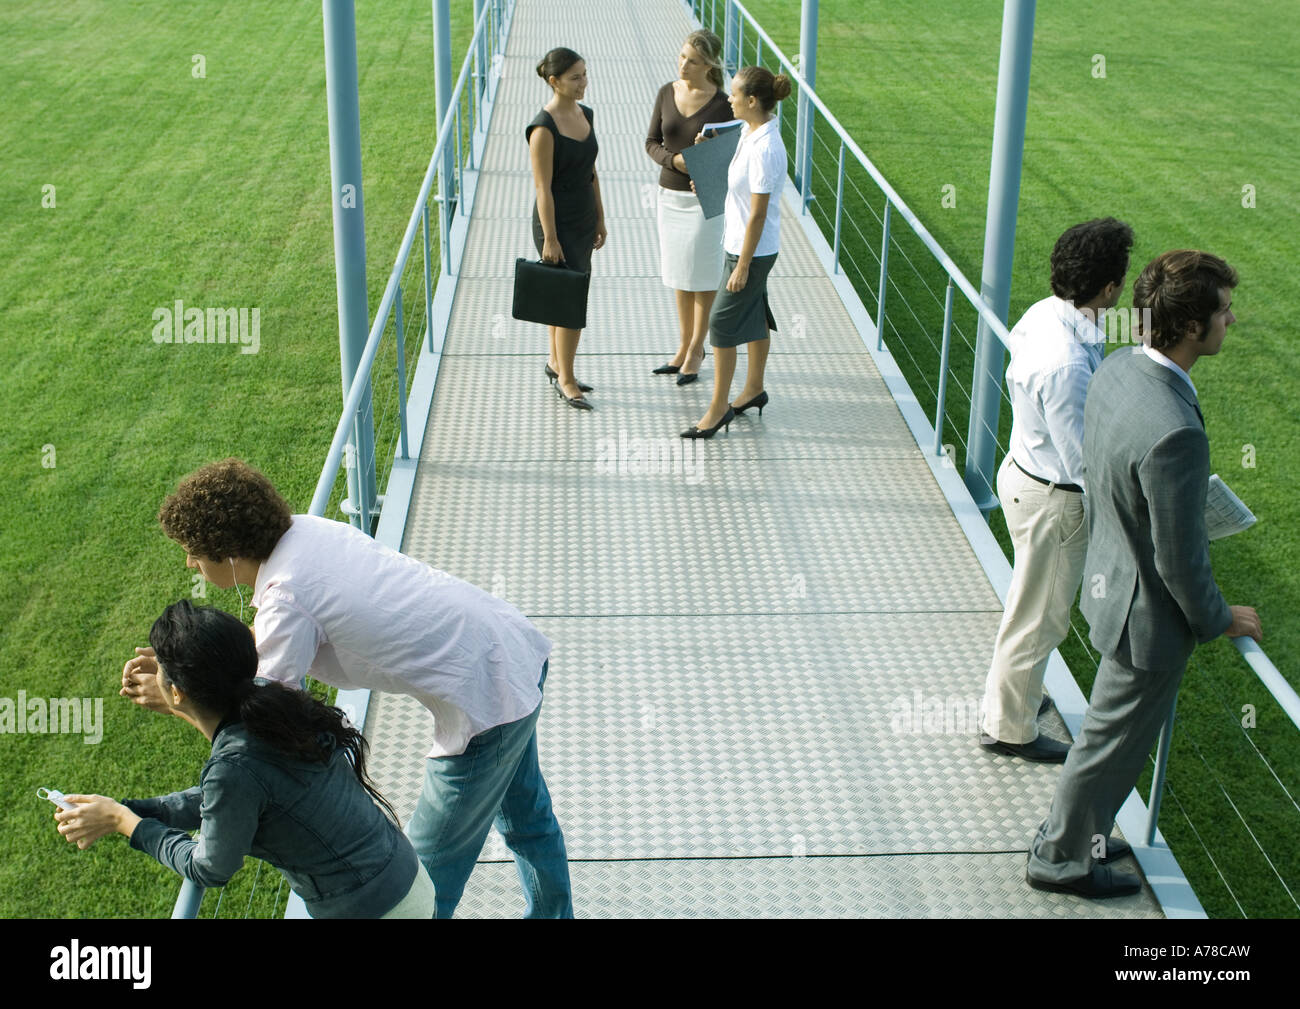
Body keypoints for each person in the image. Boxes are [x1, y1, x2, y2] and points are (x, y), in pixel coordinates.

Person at [121, 458, 574, 918]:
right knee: (528, 819)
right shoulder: (305, 532)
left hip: (486, 703)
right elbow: (273, 640)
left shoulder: (284, 598)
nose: (189, 563)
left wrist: (178, 698)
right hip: (510, 651)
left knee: (424, 886)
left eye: (193, 551)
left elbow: (260, 731)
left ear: (228, 551)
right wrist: (186, 663)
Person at [1026, 251, 1262, 898]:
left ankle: (1084, 835)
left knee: (1109, 741)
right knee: (1109, 747)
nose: (1231, 320)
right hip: (1145, 622)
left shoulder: (1121, 365)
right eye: (1221, 312)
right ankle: (1061, 856)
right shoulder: (1176, 429)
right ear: (1189, 328)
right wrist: (1222, 618)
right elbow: (1180, 563)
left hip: (1112, 588)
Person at [57, 600, 435, 918]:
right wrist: (133, 810)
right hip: (408, 878)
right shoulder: (270, 699)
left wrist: (126, 822)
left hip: (378, 909)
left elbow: (210, 866)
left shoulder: (234, 767)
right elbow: (235, 794)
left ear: (175, 693)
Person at [979, 218, 1134, 762]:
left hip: (1026, 478)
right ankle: (1009, 729)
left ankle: (1018, 696)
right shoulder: (1067, 363)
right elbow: (1082, 462)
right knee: (1041, 617)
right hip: (1053, 499)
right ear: (1110, 288)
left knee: (1030, 605)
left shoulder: (1046, 313)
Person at [682, 66, 790, 439]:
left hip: (752, 252)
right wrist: (706, 167)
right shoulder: (749, 131)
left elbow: (758, 213)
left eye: (733, 94)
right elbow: (737, 186)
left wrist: (742, 266)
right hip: (741, 244)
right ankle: (754, 389)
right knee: (755, 313)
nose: (727, 99)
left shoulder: (767, 149)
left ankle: (717, 410)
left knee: (722, 325)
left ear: (751, 100)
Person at [645, 30, 732, 386]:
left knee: (703, 274)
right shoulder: (667, 91)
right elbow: (651, 142)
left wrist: (701, 163)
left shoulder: (725, 104)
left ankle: (697, 349)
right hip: (670, 197)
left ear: (709, 64)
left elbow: (730, 156)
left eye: (692, 60)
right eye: (682, 56)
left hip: (705, 201)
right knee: (680, 273)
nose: (683, 64)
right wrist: (675, 161)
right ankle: (682, 347)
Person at [528, 47, 606, 410]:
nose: (583, 83)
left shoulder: (585, 113)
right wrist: (552, 238)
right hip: (556, 225)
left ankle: (556, 363)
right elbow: (542, 188)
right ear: (554, 81)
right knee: (571, 303)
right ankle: (567, 379)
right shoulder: (543, 129)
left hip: (583, 218)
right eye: (575, 77)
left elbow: (591, 171)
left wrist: (601, 217)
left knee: (564, 297)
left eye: (585, 74)